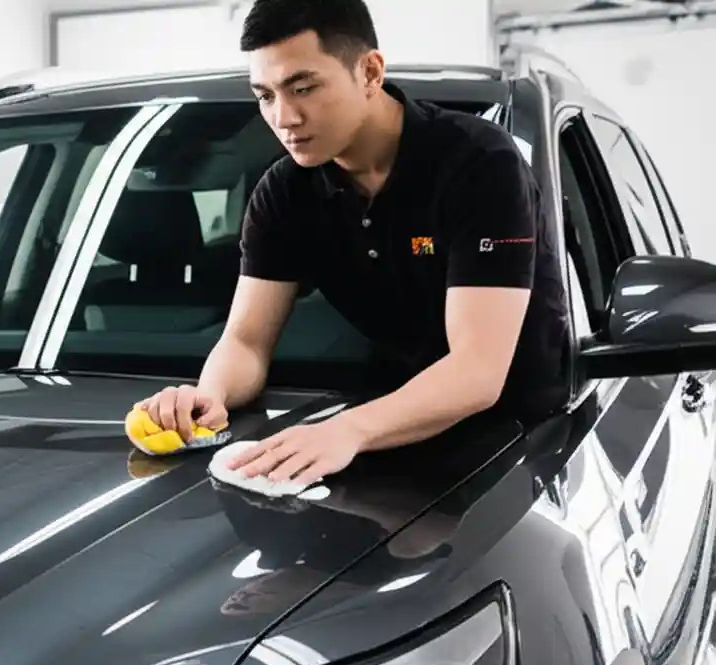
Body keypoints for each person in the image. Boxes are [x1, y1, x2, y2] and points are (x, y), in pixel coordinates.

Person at [135, 0, 570, 487]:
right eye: (265, 95)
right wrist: (209, 395)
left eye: (303, 88)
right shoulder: (284, 193)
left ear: (370, 72)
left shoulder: (480, 163)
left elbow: (477, 370)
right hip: (384, 431)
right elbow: (246, 341)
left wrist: (346, 430)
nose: (284, 117)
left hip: (524, 447)